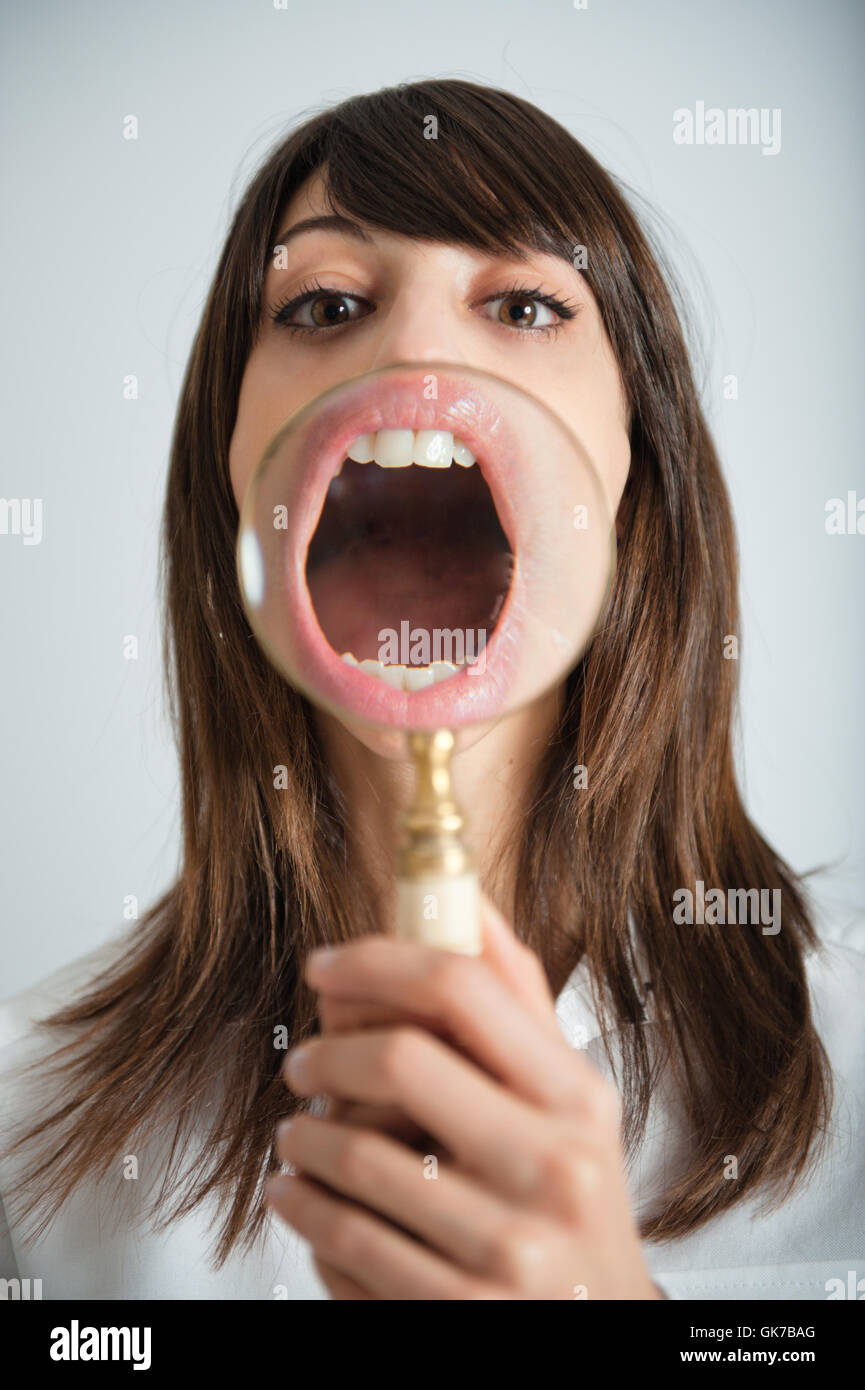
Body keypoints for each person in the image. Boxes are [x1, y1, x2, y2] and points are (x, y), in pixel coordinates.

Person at [1, 79, 862, 1301]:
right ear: (233, 471)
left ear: (633, 464)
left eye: (521, 302)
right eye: (326, 303)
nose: (411, 353)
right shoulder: (24, 1117)